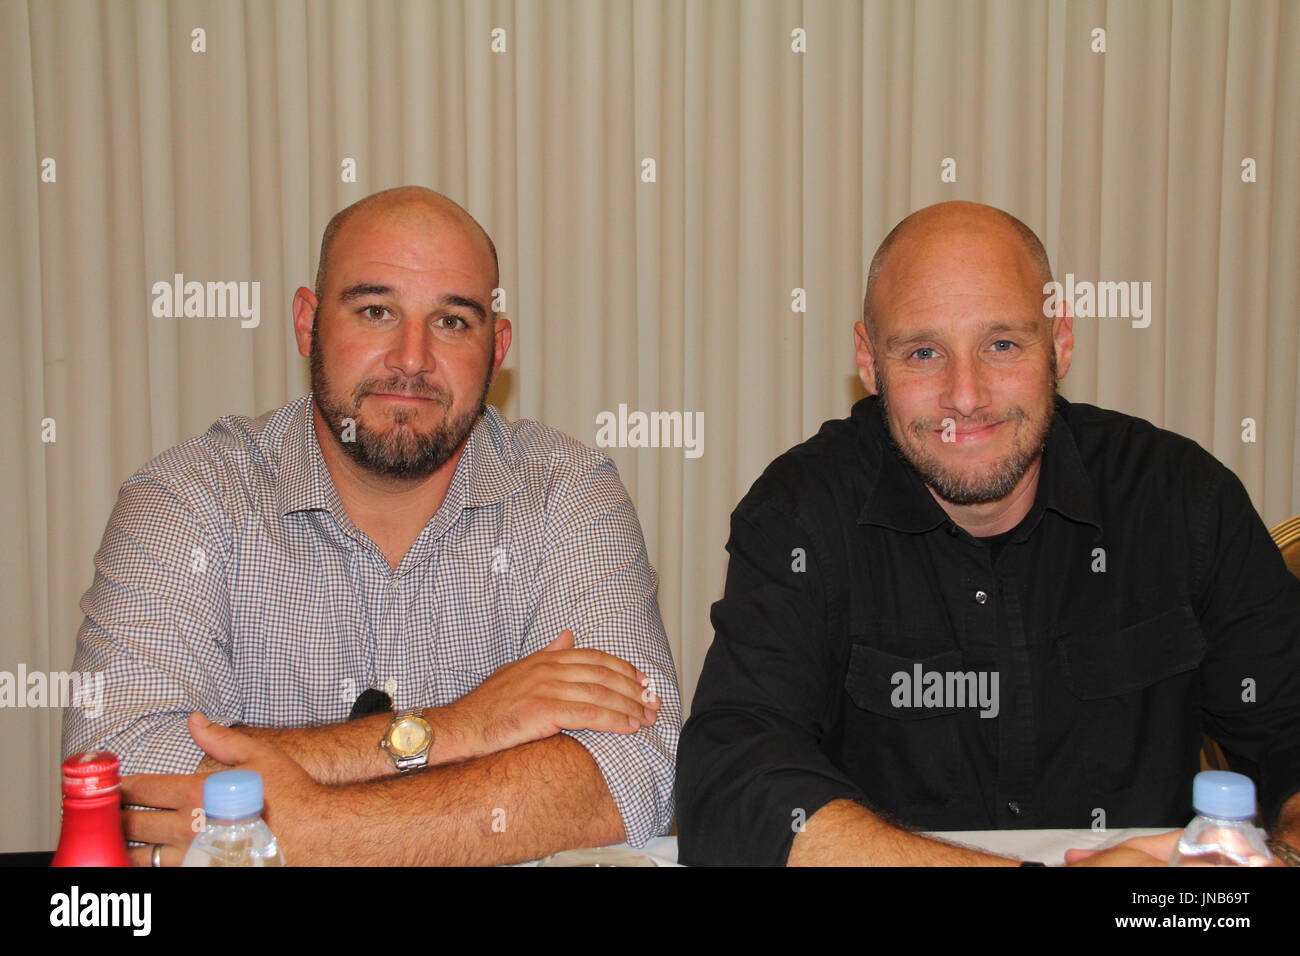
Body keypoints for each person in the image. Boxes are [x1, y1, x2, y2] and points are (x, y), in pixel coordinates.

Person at [63, 186, 680, 866]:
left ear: (496, 348)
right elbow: (125, 779)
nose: (411, 358)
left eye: (452, 322)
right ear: (308, 322)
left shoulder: (569, 492)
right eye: (376, 310)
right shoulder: (187, 499)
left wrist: (321, 830)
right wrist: (457, 729)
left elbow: (633, 772)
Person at [676, 200, 1300, 866]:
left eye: (1002, 345)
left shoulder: (1180, 500)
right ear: (868, 361)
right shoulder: (802, 514)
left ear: (1059, 342)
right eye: (923, 352)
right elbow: (732, 779)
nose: (965, 397)